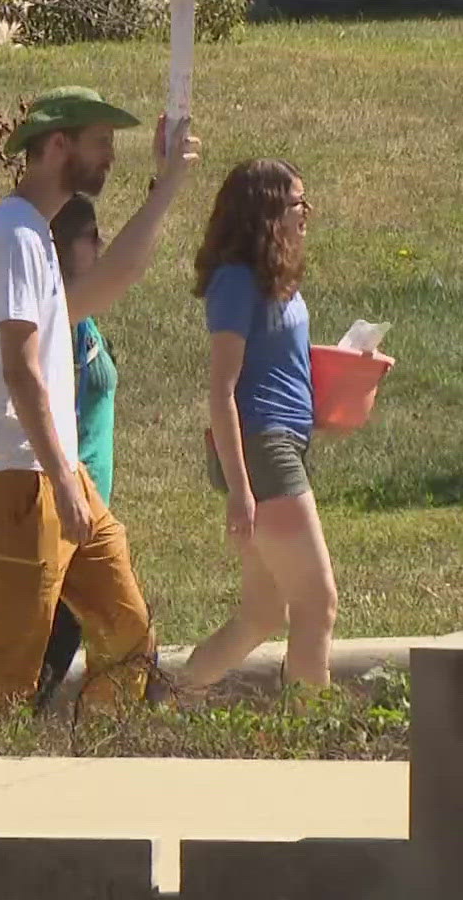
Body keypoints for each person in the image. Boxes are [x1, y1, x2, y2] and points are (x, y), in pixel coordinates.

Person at [0, 86, 198, 711]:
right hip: (25, 478)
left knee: (127, 625)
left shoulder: (33, 233)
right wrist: (60, 477)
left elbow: (111, 281)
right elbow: (18, 368)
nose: (110, 155)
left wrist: (168, 183)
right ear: (58, 144)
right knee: (12, 664)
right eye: (101, 142)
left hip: (52, 472)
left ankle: (105, 740)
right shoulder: (14, 235)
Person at [176, 159, 336, 693]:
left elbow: (281, 360)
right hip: (262, 448)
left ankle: (171, 698)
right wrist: (240, 490)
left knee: (263, 612)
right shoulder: (236, 283)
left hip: (282, 440)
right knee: (317, 603)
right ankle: (312, 727)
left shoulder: (277, 279)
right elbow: (222, 389)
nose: (306, 212)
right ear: (265, 213)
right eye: (296, 203)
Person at [31, 195, 120, 710]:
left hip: (88, 504)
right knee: (104, 628)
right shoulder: (57, 318)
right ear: (63, 245)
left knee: (63, 634)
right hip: (69, 502)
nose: (101, 245)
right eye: (92, 236)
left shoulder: (81, 320)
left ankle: (21, 727)